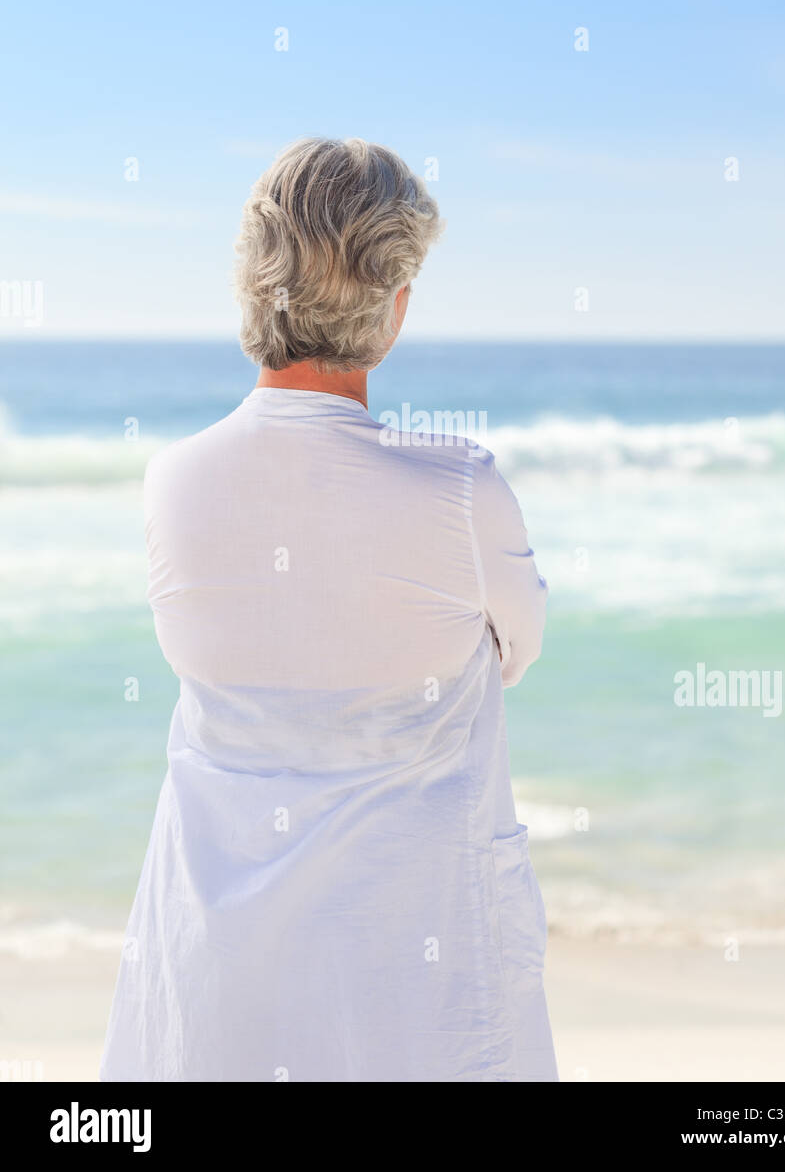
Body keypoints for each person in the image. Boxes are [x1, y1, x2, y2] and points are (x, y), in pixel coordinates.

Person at [100, 137, 558, 1082]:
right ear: (393, 310)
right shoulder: (460, 489)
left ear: (250, 287)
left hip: (221, 967)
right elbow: (516, 651)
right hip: (424, 978)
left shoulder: (172, 482)